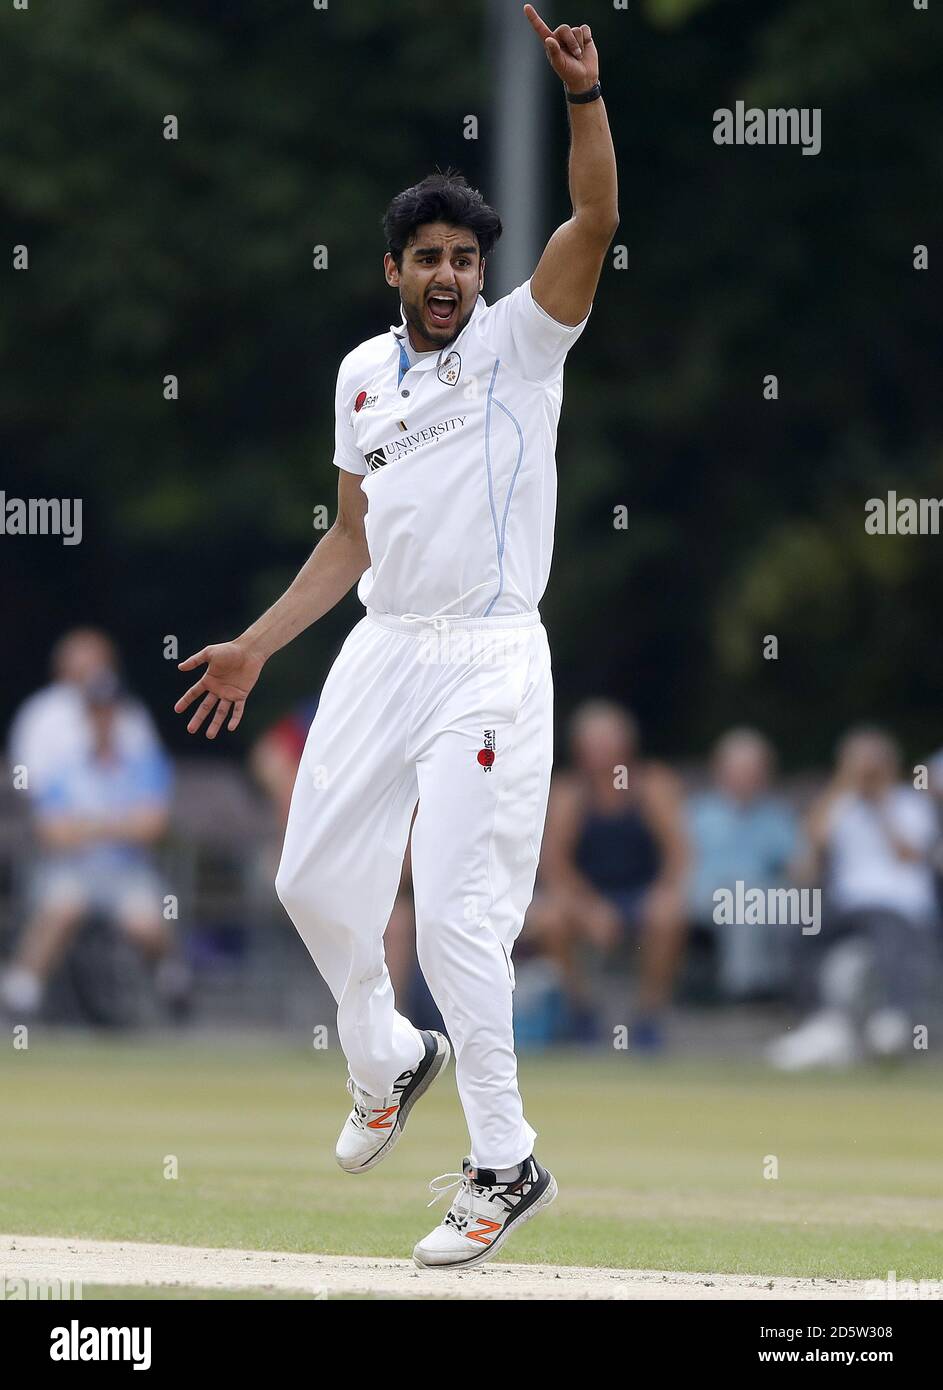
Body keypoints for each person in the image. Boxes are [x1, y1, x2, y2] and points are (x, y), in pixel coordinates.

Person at [173, 9, 618, 1271]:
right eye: (425, 256)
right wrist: (259, 645)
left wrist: (584, 99)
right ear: (391, 269)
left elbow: (591, 225)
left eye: (463, 258)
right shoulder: (361, 376)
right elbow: (350, 536)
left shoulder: (522, 348)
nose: (446, 275)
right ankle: (385, 1059)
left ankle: (502, 1163)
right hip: (379, 648)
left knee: (459, 923)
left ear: (483, 271)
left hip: (487, 654)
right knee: (308, 881)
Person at [0, 673, 176, 1020]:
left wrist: (88, 827)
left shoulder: (144, 765)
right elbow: (52, 833)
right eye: (96, 712)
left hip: (128, 872)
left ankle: (170, 985)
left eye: (109, 711)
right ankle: (19, 999)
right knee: (59, 909)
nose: (103, 720)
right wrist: (119, 825)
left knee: (147, 922)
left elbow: (153, 827)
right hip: (74, 870)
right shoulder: (64, 769)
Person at [767, 726, 939, 1070]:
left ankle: (894, 1022)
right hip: (848, 904)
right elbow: (811, 842)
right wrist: (844, 784)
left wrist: (881, 805)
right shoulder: (840, 803)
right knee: (799, 932)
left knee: (890, 936)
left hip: (898, 904)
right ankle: (822, 1023)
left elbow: (908, 854)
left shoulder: (911, 802)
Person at [525, 701, 688, 1049]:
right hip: (588, 897)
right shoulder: (569, 793)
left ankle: (648, 1016)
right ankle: (580, 1010)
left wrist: (664, 890)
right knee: (550, 918)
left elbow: (678, 852)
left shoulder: (653, 786)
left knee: (668, 914)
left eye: (607, 741)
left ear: (626, 744)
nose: (600, 751)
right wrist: (589, 908)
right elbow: (554, 863)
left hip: (642, 893)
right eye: (592, 743)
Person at [688, 728, 798, 999]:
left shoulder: (777, 815)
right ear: (720, 771)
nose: (747, 778)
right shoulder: (696, 813)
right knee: (744, 896)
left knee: (793, 902)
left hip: (762, 894)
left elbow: (798, 863)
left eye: (754, 771)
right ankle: (745, 987)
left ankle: (782, 984)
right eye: (739, 770)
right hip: (704, 895)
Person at [8, 627, 159, 799]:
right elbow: (28, 781)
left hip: (129, 815)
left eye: (100, 664)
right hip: (59, 817)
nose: (94, 673)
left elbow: (151, 777)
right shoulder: (41, 713)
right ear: (62, 668)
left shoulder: (130, 712)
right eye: (83, 667)